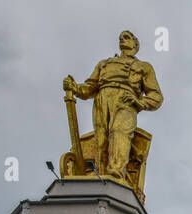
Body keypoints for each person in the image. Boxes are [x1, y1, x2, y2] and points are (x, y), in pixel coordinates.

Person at [63, 30, 163, 183]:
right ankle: (102, 179)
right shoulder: (104, 64)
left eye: (127, 37)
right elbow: (90, 87)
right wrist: (75, 87)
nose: (122, 39)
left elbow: (156, 97)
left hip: (126, 101)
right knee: (101, 141)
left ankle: (116, 176)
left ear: (135, 45)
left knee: (119, 133)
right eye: (121, 37)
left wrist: (140, 102)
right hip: (102, 99)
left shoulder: (144, 66)